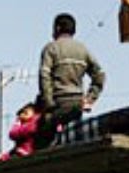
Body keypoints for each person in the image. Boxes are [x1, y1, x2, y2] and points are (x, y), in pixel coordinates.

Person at [36, 13, 105, 148]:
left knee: (43, 142)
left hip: (57, 101)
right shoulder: (83, 49)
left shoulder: (51, 48)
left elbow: (44, 76)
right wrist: (90, 98)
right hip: (77, 103)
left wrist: (48, 102)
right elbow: (100, 74)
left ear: (57, 28)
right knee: (73, 139)